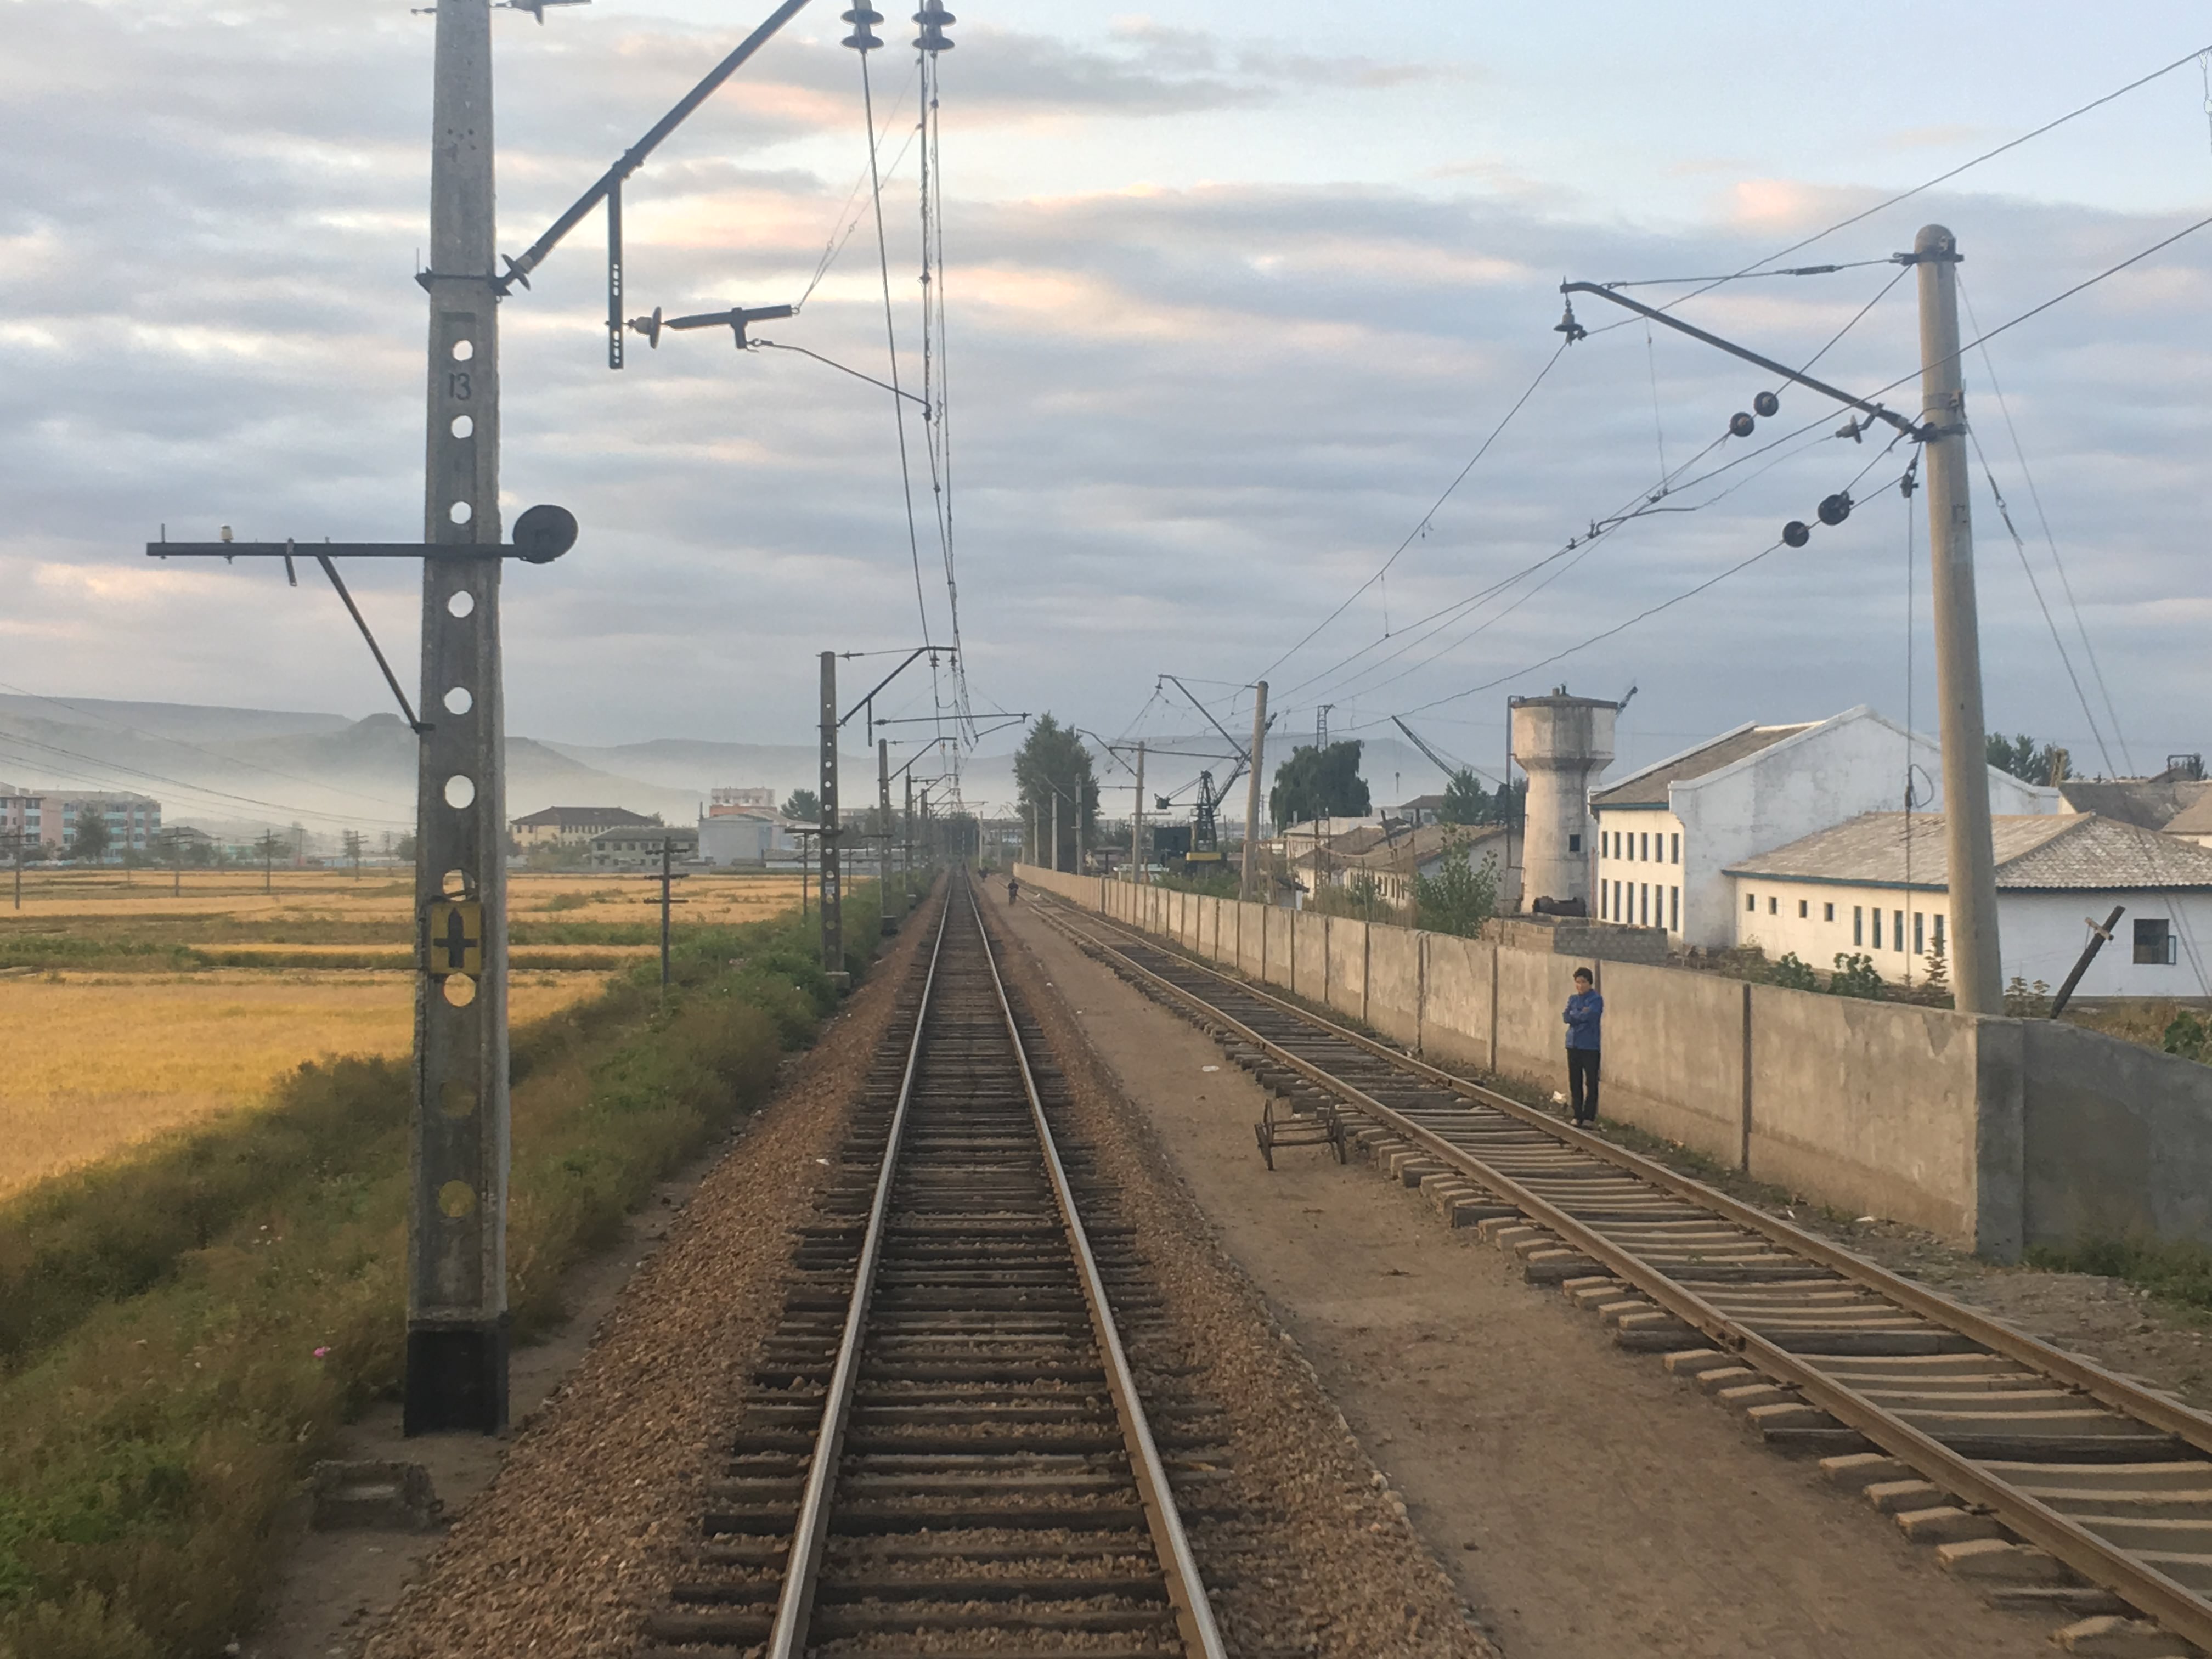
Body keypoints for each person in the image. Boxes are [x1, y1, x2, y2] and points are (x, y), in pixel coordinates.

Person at [1562, 967, 1602, 1126]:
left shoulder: (1596, 999)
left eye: (1583, 982)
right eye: (1578, 982)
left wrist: (1576, 1015)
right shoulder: (1573, 999)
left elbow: (1590, 1016)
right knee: (1575, 1081)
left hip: (1590, 1046)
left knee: (1591, 1082)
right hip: (1573, 1045)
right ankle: (1577, 1114)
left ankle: (1589, 1117)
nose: (1580, 986)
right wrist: (1578, 1014)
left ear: (1590, 983)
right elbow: (1566, 1016)